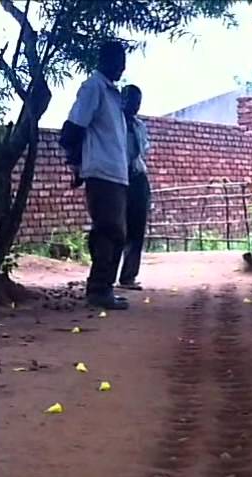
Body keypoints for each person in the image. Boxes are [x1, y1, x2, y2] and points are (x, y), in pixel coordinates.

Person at [62, 41, 130, 311]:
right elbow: (72, 130)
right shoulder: (94, 88)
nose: (122, 67)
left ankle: (104, 288)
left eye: (123, 62)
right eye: (118, 61)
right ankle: (99, 289)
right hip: (102, 172)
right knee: (109, 230)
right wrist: (76, 164)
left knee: (117, 232)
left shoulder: (112, 94)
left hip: (116, 173)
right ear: (104, 61)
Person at [118, 84, 151, 291]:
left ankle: (128, 276)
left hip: (138, 177)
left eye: (138, 102)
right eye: (132, 101)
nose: (136, 106)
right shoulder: (114, 123)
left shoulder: (139, 126)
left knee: (137, 229)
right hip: (118, 178)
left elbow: (143, 151)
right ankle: (106, 277)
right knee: (116, 228)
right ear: (122, 100)